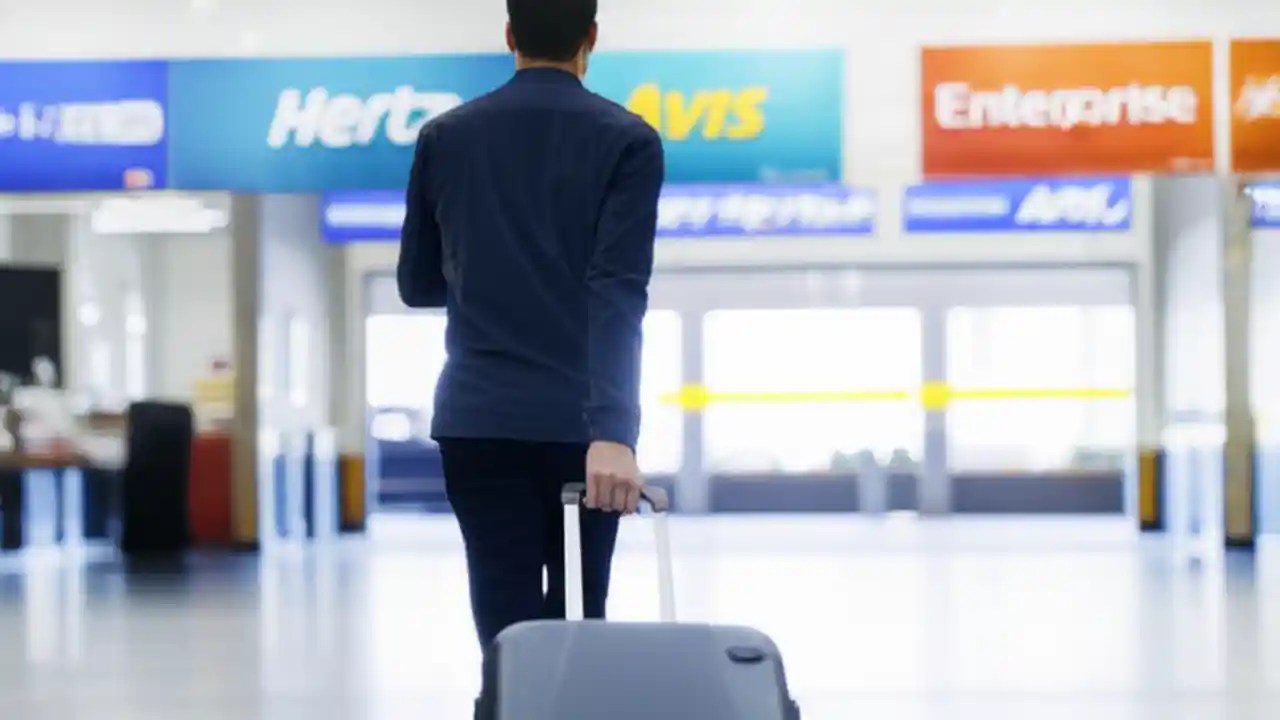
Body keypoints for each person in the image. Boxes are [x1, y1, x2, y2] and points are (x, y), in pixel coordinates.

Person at [396, 0, 665, 651]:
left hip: (478, 420)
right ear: (591, 38)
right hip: (581, 429)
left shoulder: (445, 137)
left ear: (509, 35)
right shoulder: (627, 140)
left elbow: (416, 284)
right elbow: (619, 292)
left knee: (504, 629)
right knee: (578, 621)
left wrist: (490, 280)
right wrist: (613, 433)